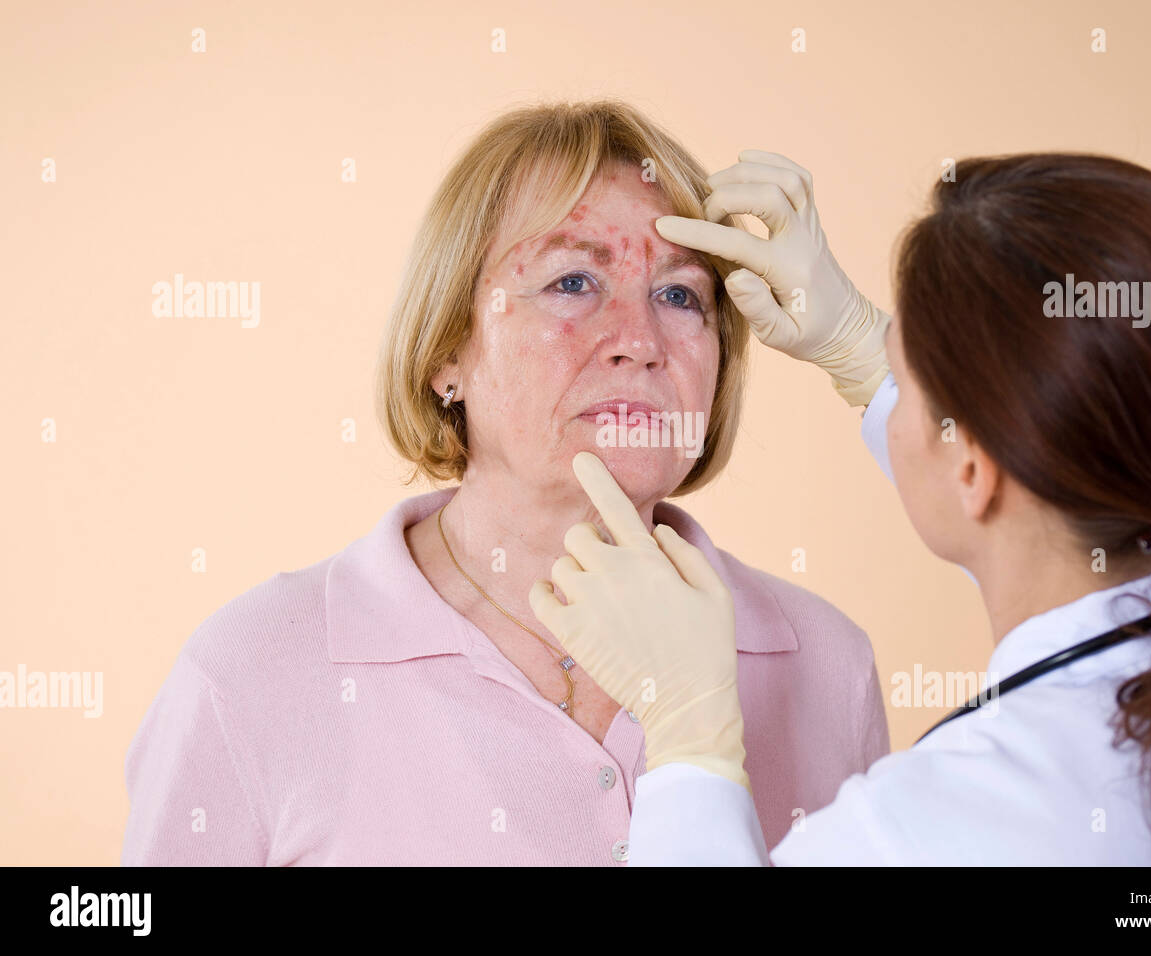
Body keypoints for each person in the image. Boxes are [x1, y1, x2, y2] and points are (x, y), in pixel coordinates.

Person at [120, 105, 891, 866]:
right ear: (445, 353)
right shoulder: (251, 674)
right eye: (573, 282)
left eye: (680, 294)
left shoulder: (827, 663)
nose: (639, 341)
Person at [530, 150, 1151, 865]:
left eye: (901, 372)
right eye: (571, 282)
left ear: (971, 465)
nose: (636, 341)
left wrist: (688, 734)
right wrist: (857, 343)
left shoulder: (927, 826)